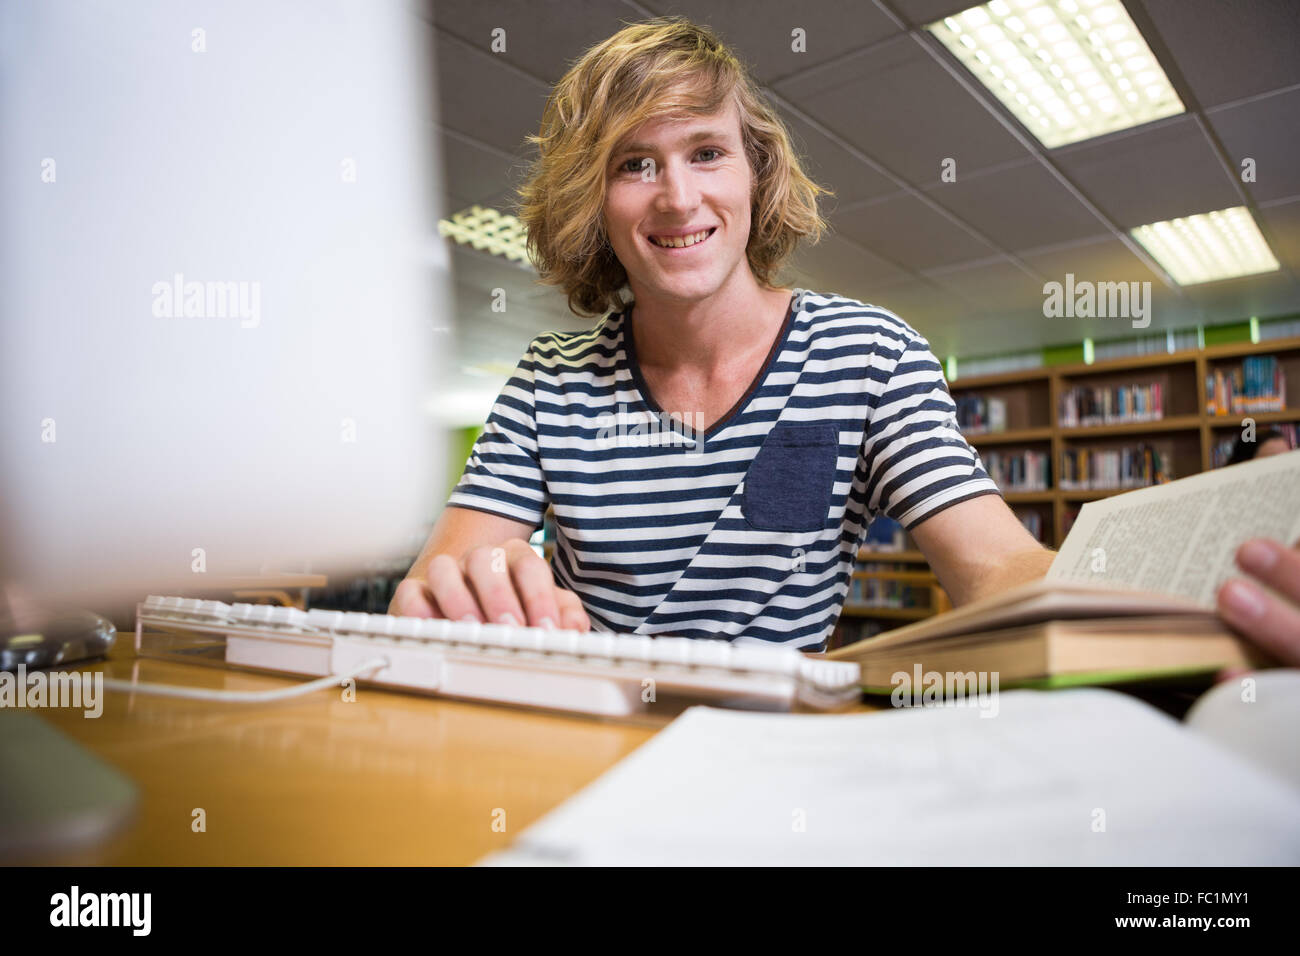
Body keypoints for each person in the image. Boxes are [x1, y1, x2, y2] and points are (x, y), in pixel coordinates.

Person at [391, 16, 1297, 659]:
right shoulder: (549, 381)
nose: (676, 197)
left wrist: (1172, 605)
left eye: (705, 151)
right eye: (635, 164)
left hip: (784, 753)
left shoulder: (868, 355)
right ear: (596, 200)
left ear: (754, 170)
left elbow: (998, 567)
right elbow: (427, 593)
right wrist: (455, 595)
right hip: (591, 742)